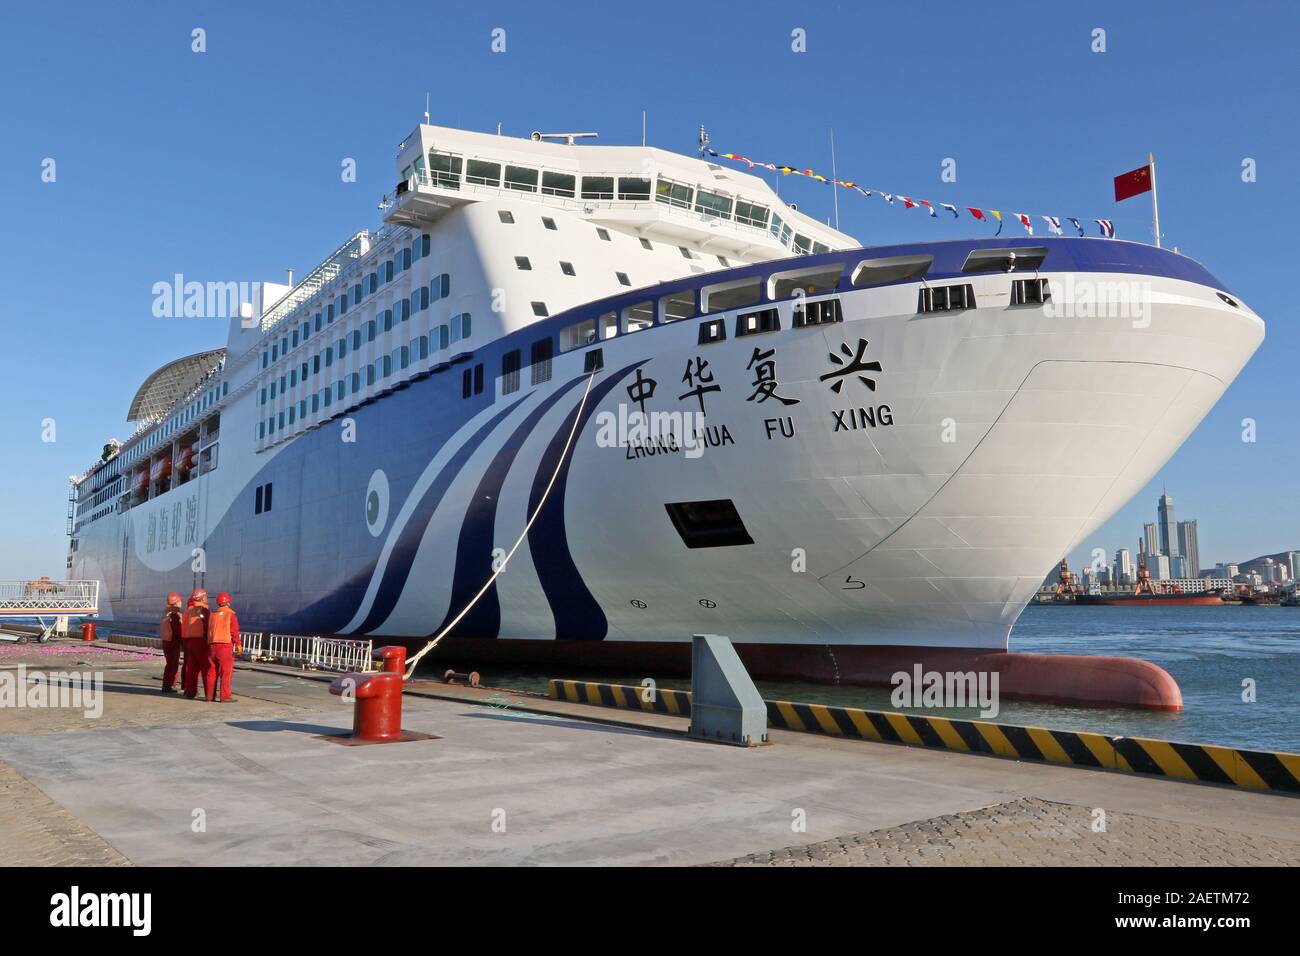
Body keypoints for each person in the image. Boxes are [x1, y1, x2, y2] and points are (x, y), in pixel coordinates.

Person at [206, 593, 242, 703]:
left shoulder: (212, 615)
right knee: (226, 672)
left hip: (212, 646)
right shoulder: (231, 614)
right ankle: (225, 696)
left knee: (212, 672)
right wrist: (239, 644)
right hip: (225, 646)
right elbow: (234, 632)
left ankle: (209, 696)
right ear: (228, 602)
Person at [180, 589, 210, 699]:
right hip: (200, 642)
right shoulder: (203, 611)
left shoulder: (188, 612)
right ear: (202, 598)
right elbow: (207, 627)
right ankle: (209, 693)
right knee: (206, 668)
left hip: (188, 642)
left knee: (191, 668)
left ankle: (190, 692)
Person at [159, 592, 183, 693]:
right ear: (176, 602)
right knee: (172, 665)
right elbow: (177, 631)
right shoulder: (174, 615)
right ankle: (168, 686)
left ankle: (168, 685)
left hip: (166, 641)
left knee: (170, 664)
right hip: (173, 642)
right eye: (180, 601)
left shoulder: (165, 613)